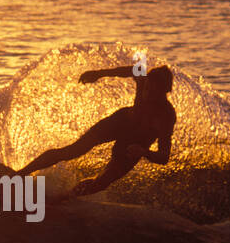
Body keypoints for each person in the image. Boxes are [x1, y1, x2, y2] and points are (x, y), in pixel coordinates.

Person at [14, 65, 176, 197]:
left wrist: (143, 151)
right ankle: (19, 174)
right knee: (73, 150)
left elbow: (164, 157)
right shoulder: (143, 80)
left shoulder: (166, 116)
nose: (147, 94)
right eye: (147, 88)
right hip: (121, 122)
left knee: (102, 182)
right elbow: (134, 69)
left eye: (153, 92)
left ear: (165, 91)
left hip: (136, 144)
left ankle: (66, 197)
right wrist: (99, 74)